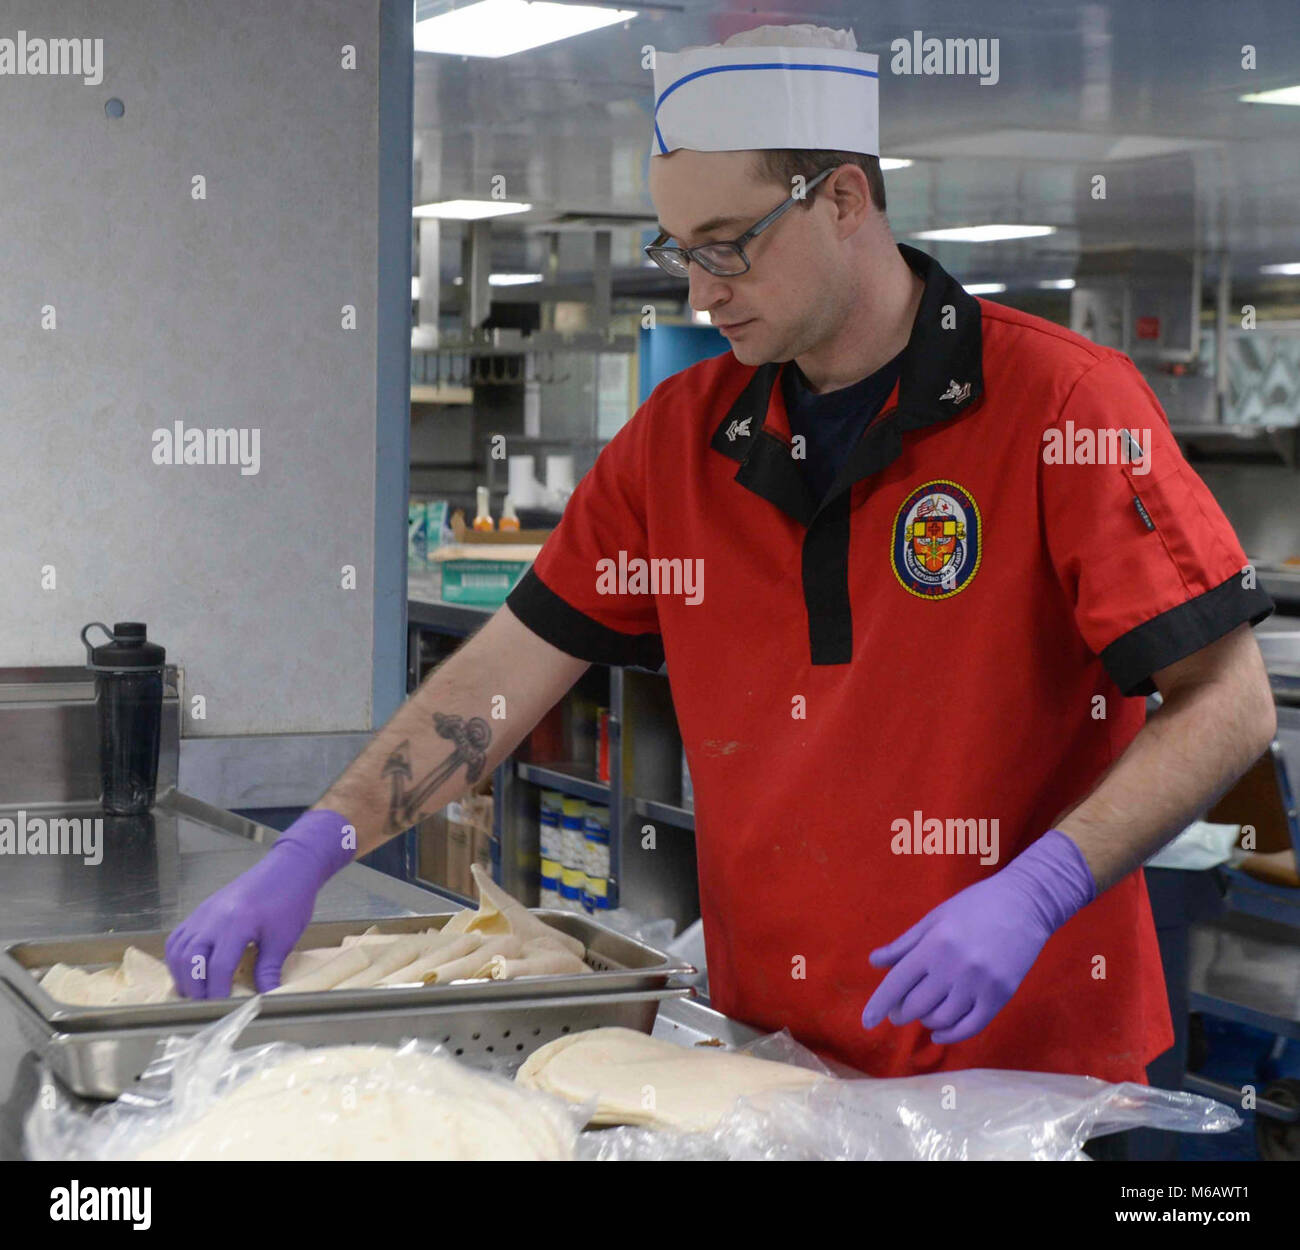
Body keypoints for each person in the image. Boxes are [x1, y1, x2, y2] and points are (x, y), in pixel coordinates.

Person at [167, 24, 1276, 1096]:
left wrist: (1039, 887)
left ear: (842, 198)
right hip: (772, 1059)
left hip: (1024, 1073)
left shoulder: (1063, 405)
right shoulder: (679, 441)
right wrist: (320, 841)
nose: (699, 289)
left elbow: (1228, 701)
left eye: (726, 245)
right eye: (678, 250)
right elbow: (498, 679)